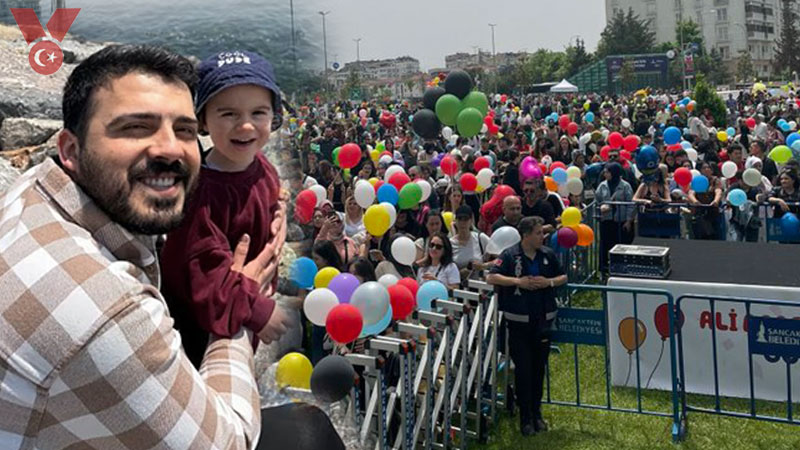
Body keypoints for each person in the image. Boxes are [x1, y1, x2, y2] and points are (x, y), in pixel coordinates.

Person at [0, 45, 273, 447]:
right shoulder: (104, 313)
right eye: (135, 128)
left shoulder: (32, 190)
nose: (169, 149)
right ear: (71, 149)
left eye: (182, 130)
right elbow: (228, 442)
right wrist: (241, 301)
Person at [160, 49, 293, 367]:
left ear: (274, 116)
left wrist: (280, 206)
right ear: (203, 120)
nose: (246, 127)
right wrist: (258, 310)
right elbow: (204, 276)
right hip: (198, 333)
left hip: (242, 301)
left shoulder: (261, 164)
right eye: (229, 114)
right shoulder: (200, 195)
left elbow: (269, 194)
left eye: (258, 113)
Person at [487, 216, 567, 436]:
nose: (542, 236)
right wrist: (517, 282)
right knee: (524, 369)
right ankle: (525, 417)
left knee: (539, 369)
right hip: (518, 322)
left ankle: (536, 412)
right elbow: (492, 277)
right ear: (526, 235)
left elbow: (563, 276)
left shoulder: (547, 254)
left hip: (542, 320)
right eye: (538, 233)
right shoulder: (510, 255)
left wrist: (548, 282)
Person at [594, 162, 634, 273]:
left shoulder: (625, 186)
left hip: (620, 221)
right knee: (605, 244)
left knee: (621, 244)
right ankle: (604, 268)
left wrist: (628, 220)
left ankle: (621, 267)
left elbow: (630, 204)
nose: (605, 174)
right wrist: (600, 209)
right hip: (606, 220)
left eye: (608, 172)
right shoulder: (602, 185)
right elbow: (597, 201)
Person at [450, 205, 491, 283]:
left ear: (471, 220)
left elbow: (500, 259)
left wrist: (483, 265)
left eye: (466, 219)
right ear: (455, 221)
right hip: (459, 287)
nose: (462, 223)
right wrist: (461, 272)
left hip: (479, 286)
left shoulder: (480, 238)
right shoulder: (450, 243)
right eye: (460, 219)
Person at [687, 161, 724, 240]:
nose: (707, 169)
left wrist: (715, 201)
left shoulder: (715, 180)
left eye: (709, 168)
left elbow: (718, 191)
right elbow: (691, 193)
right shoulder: (696, 180)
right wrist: (695, 201)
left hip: (713, 212)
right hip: (699, 212)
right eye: (704, 168)